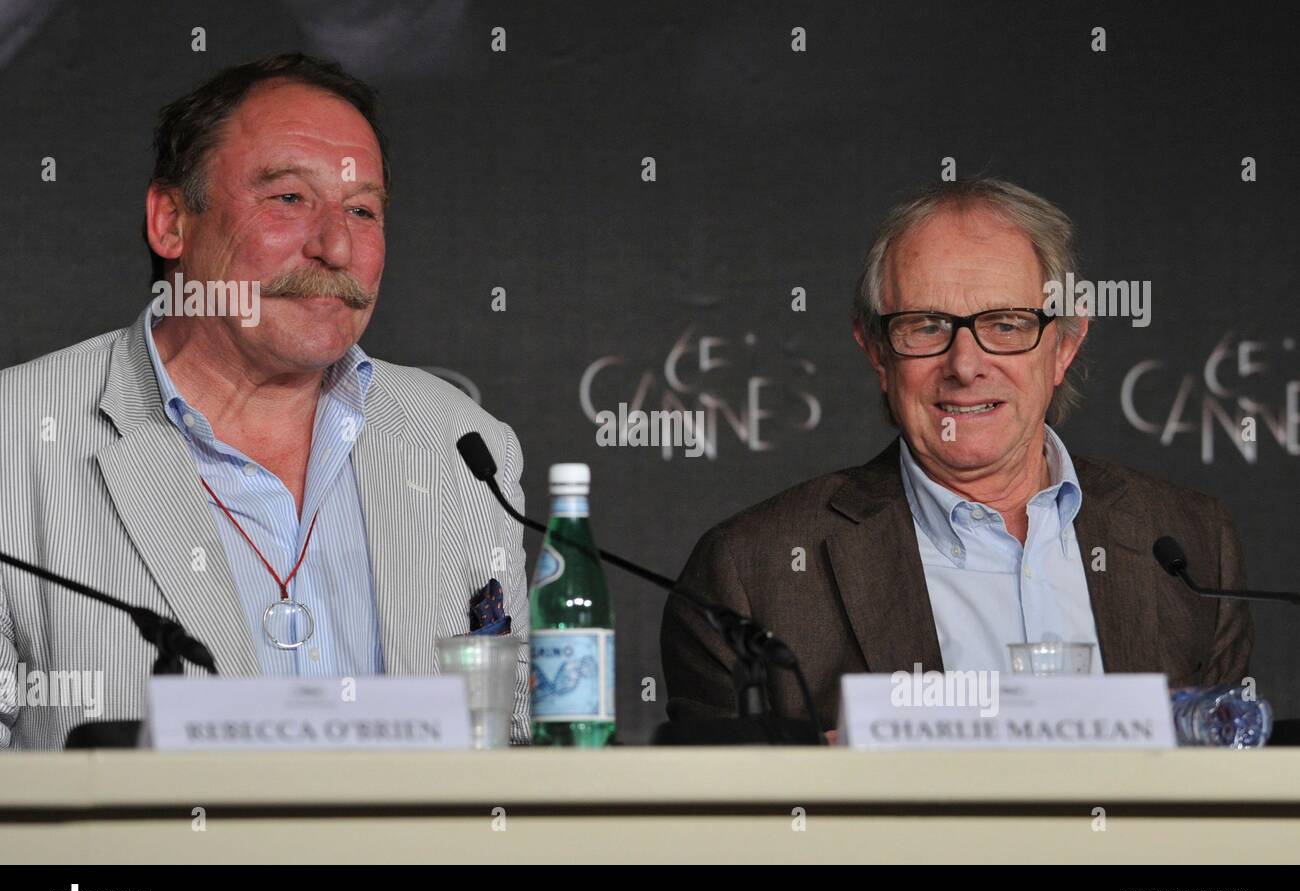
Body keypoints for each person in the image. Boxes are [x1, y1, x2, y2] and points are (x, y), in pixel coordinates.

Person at [0, 53, 529, 749]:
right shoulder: (18, 440)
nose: (335, 246)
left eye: (363, 210)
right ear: (171, 222)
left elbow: (515, 756)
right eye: (288, 199)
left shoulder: (465, 447)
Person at [660, 177, 1253, 734]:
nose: (966, 365)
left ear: (1064, 346)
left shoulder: (1191, 542)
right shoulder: (750, 574)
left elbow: (1230, 803)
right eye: (925, 326)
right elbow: (718, 823)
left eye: (1006, 323)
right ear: (875, 351)